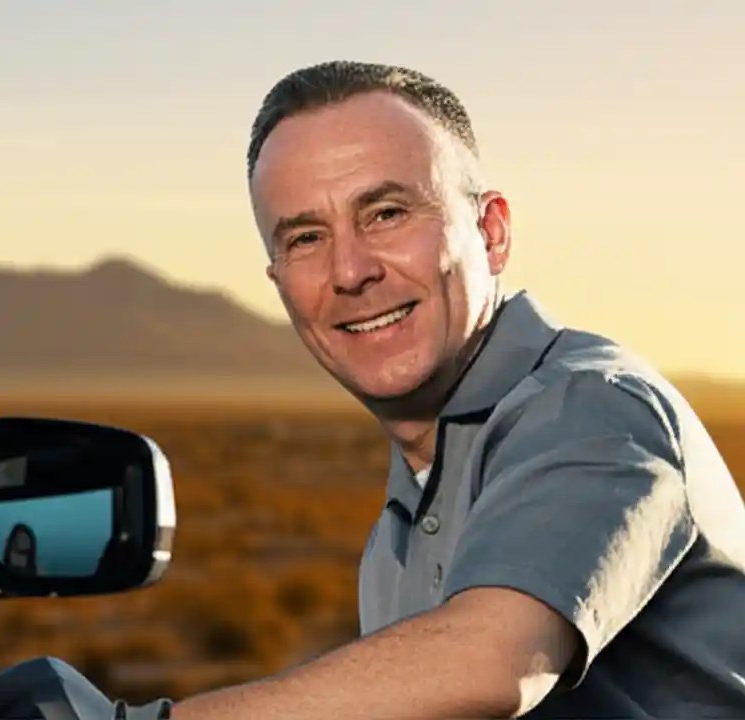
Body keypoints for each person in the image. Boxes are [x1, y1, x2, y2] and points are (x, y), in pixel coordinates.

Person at [162, 61, 745, 719]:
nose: (349, 271)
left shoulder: (590, 408)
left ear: (491, 232)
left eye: (385, 213)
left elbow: (492, 664)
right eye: (306, 238)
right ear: (280, 284)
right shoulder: (396, 539)